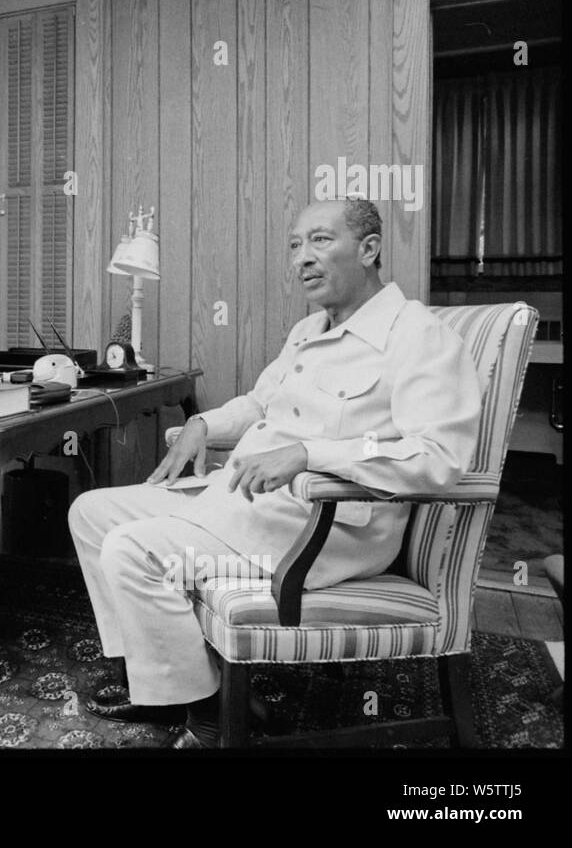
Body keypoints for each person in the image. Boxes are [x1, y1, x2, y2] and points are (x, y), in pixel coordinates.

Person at [68, 198, 482, 747]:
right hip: (247, 503)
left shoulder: (417, 336)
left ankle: (210, 714)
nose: (301, 258)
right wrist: (203, 425)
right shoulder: (309, 330)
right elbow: (261, 404)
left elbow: (438, 458)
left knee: (131, 550)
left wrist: (311, 453)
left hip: (322, 530)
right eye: (295, 244)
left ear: (369, 249)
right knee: (91, 512)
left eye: (320, 240)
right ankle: (155, 678)